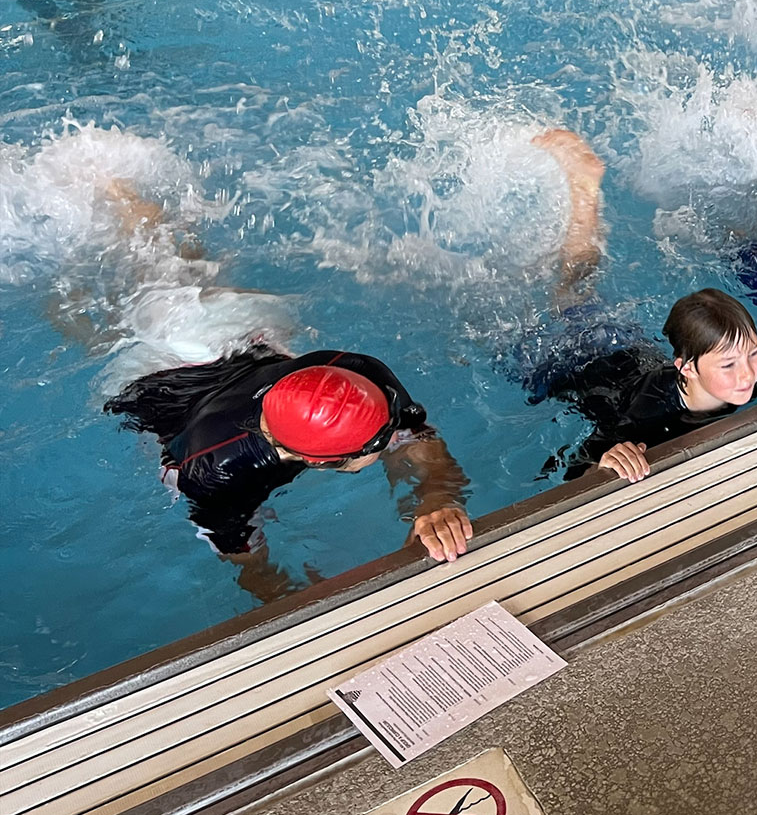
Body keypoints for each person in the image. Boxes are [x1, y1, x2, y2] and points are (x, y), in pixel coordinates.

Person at [92, 181, 474, 603]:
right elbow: (251, 566)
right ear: (316, 461)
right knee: (100, 324)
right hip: (157, 379)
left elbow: (417, 436)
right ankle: (107, 200)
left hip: (226, 336)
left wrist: (437, 496)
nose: (395, 436)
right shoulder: (218, 475)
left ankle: (122, 192)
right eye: (381, 440)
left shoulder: (355, 373)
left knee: (172, 273)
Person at [545, 288, 757, 484]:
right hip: (576, 368)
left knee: (579, 299)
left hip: (633, 352)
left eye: (753, 352)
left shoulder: (750, 374)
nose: (747, 374)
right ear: (688, 369)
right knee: (565, 300)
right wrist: (603, 464)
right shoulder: (647, 414)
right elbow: (574, 467)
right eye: (728, 365)